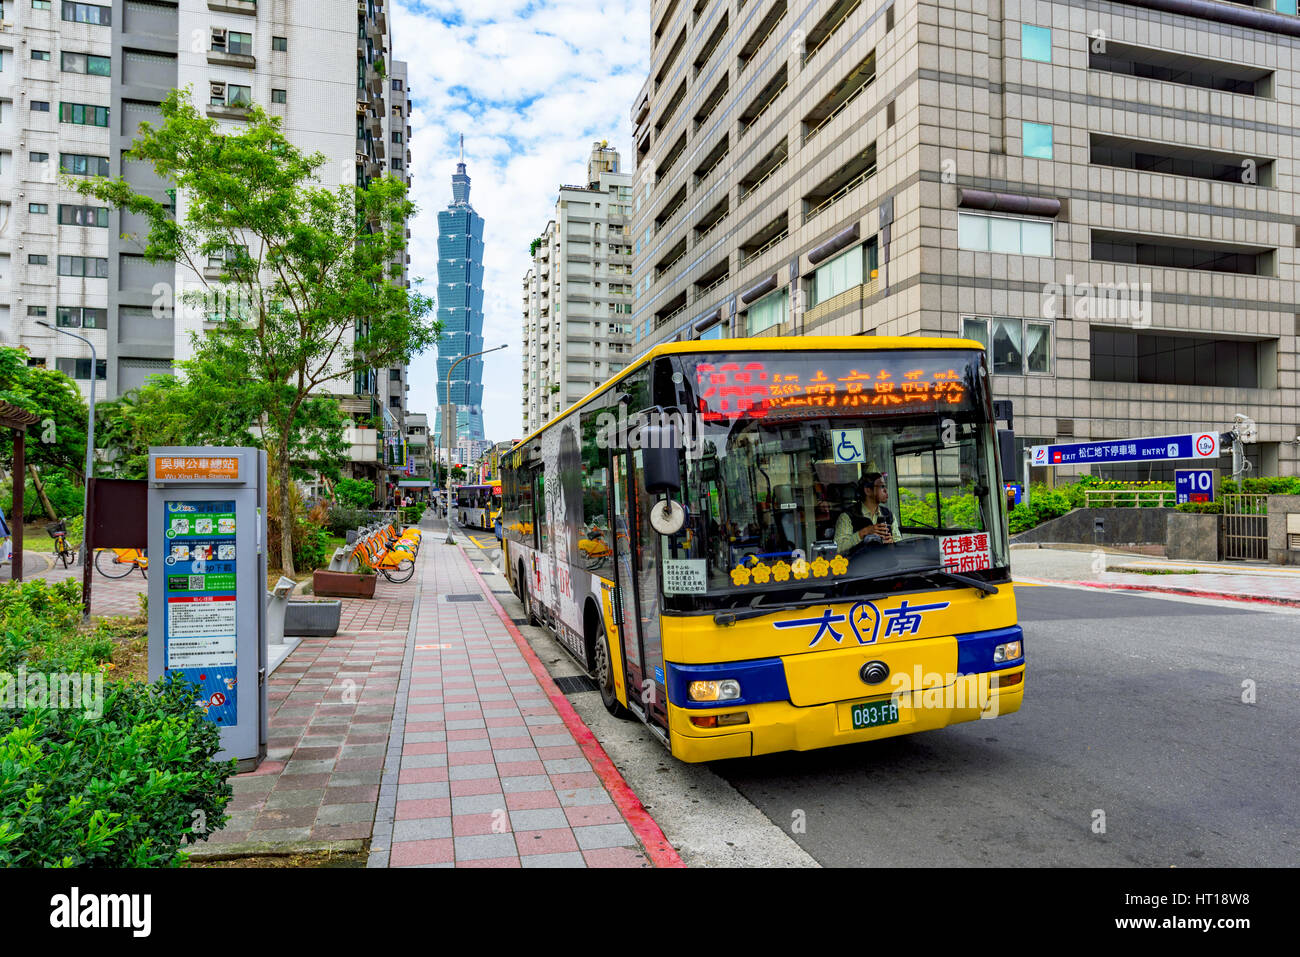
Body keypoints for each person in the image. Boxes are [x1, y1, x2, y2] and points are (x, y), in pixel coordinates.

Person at [834, 472, 900, 555]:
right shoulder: (847, 517)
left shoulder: (888, 515)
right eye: (882, 486)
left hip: (886, 565)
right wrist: (863, 533)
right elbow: (838, 548)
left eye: (885, 486)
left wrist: (892, 544)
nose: (885, 490)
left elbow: (899, 545)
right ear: (868, 490)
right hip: (859, 566)